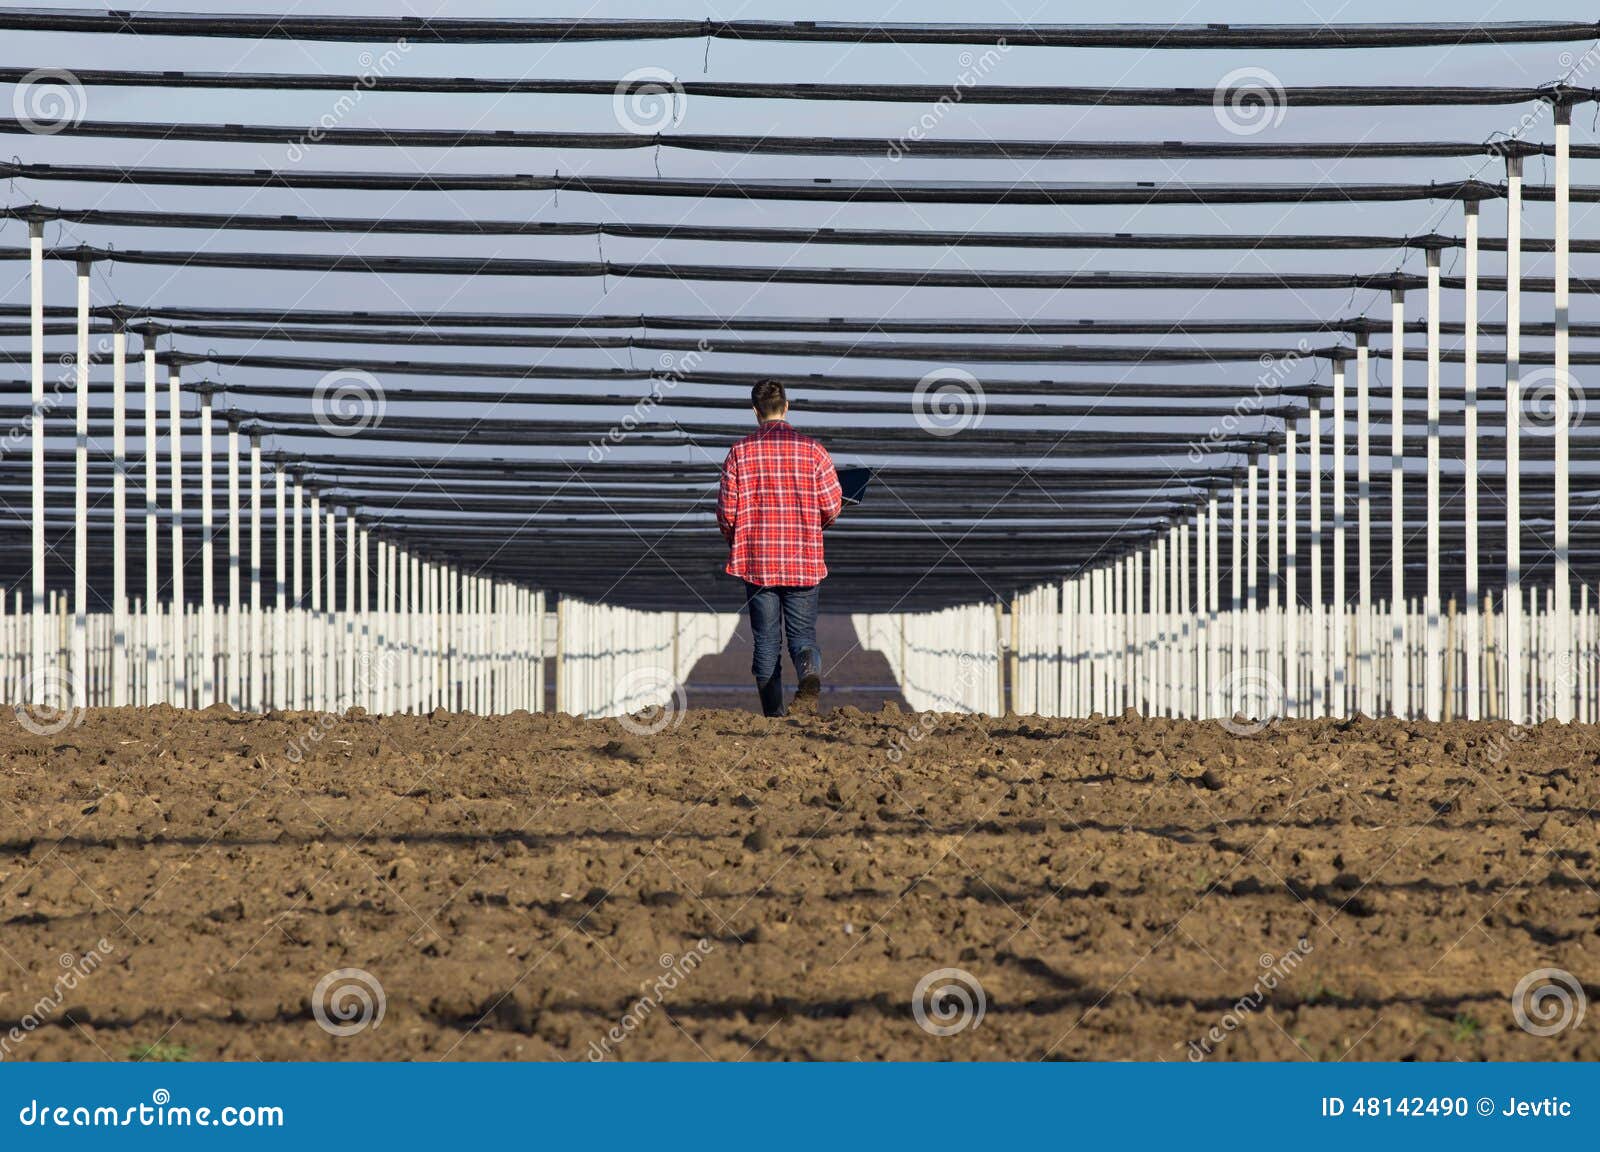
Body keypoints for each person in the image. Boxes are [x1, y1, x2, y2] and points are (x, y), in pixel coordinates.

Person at [716, 379, 843, 717]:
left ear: (755, 411)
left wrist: (739, 541)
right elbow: (831, 505)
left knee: (766, 642)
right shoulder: (814, 451)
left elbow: (727, 512)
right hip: (804, 560)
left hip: (757, 562)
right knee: (802, 636)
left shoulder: (739, 453)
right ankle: (810, 676)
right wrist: (813, 527)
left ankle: (773, 716)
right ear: (787, 407)